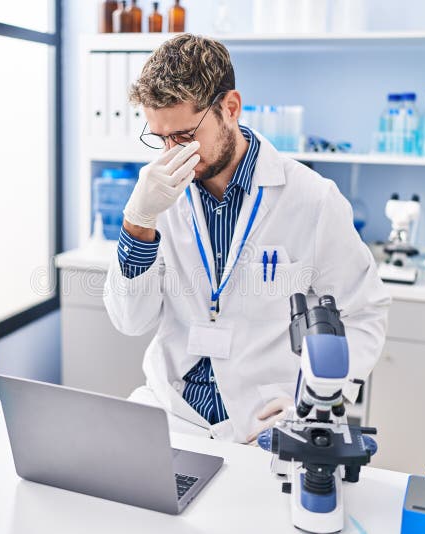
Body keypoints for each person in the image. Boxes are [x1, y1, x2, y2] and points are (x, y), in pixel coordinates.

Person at [103, 34, 390, 443]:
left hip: (266, 423)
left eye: (183, 137)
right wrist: (138, 219)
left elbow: (364, 314)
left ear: (230, 108)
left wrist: (314, 402)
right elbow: (131, 321)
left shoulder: (311, 198)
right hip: (170, 414)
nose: (170, 154)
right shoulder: (158, 195)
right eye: (160, 139)